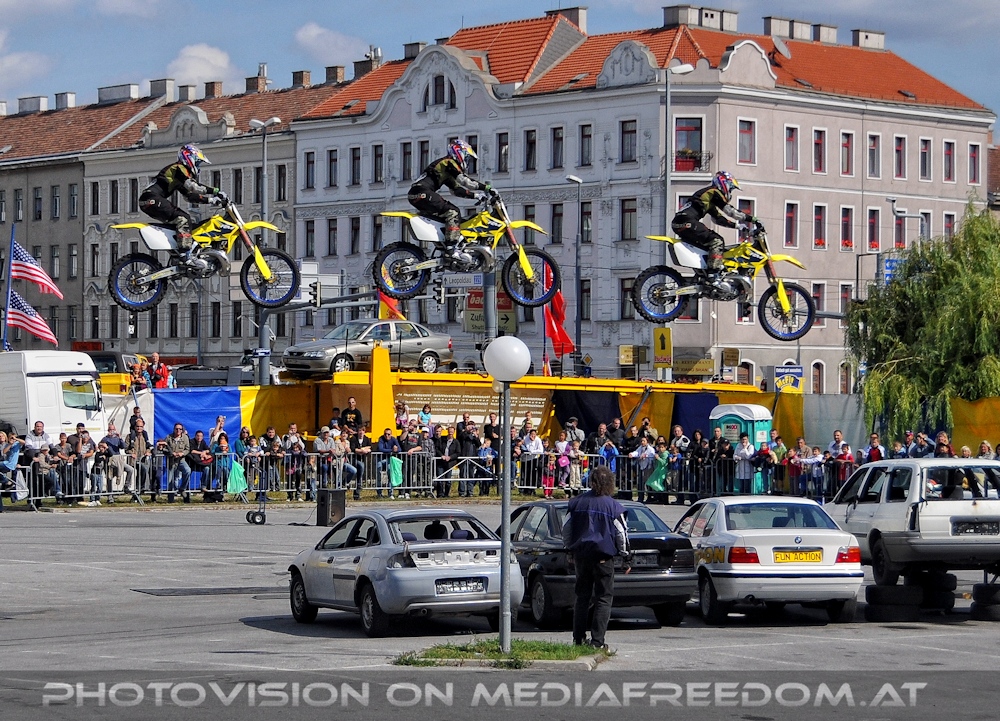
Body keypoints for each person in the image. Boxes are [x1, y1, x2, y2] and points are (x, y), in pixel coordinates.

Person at [562, 465, 629, 649]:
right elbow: (621, 534)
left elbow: (566, 529)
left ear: (591, 482)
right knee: (603, 598)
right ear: (610, 483)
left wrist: (569, 549)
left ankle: (578, 639)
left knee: (582, 597)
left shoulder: (576, 503)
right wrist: (625, 556)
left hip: (581, 556)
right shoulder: (614, 506)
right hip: (603, 557)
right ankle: (598, 641)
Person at [139, 143, 226, 255]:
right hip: (152, 198)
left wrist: (211, 201)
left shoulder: (178, 177)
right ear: (189, 158)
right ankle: (185, 254)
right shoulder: (179, 168)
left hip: (148, 200)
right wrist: (215, 191)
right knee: (183, 218)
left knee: (176, 223)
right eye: (198, 162)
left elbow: (189, 196)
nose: (198, 167)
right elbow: (193, 187)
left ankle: (176, 253)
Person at [670, 170, 751, 282]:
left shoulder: (708, 199)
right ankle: (712, 273)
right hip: (687, 221)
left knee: (705, 246)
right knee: (717, 240)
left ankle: (702, 275)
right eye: (731, 188)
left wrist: (738, 226)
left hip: (679, 223)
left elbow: (719, 219)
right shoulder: (714, 192)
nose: (730, 192)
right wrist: (751, 219)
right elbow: (730, 211)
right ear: (724, 183)